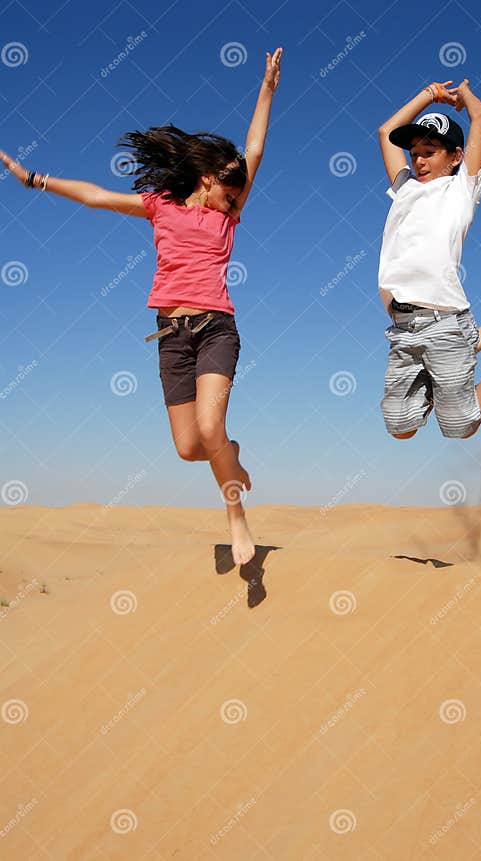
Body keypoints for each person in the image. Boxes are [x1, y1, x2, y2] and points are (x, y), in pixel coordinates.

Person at [1, 46, 283, 565]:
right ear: (208, 178)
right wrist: (36, 180)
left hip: (216, 328)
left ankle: (237, 518)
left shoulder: (227, 215)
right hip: (171, 336)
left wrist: (266, 89)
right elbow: (95, 196)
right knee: (190, 447)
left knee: (210, 429)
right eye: (230, 188)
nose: (237, 196)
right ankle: (230, 454)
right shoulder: (160, 206)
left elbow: (256, 147)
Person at [377, 78, 481, 439]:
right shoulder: (404, 188)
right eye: (415, 152)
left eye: (430, 151)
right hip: (403, 325)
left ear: (455, 157)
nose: (419, 160)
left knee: (460, 428)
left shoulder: (461, 190)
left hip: (444, 321)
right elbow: (385, 131)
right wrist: (429, 95)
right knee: (400, 428)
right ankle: (469, 345)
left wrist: (465, 95)